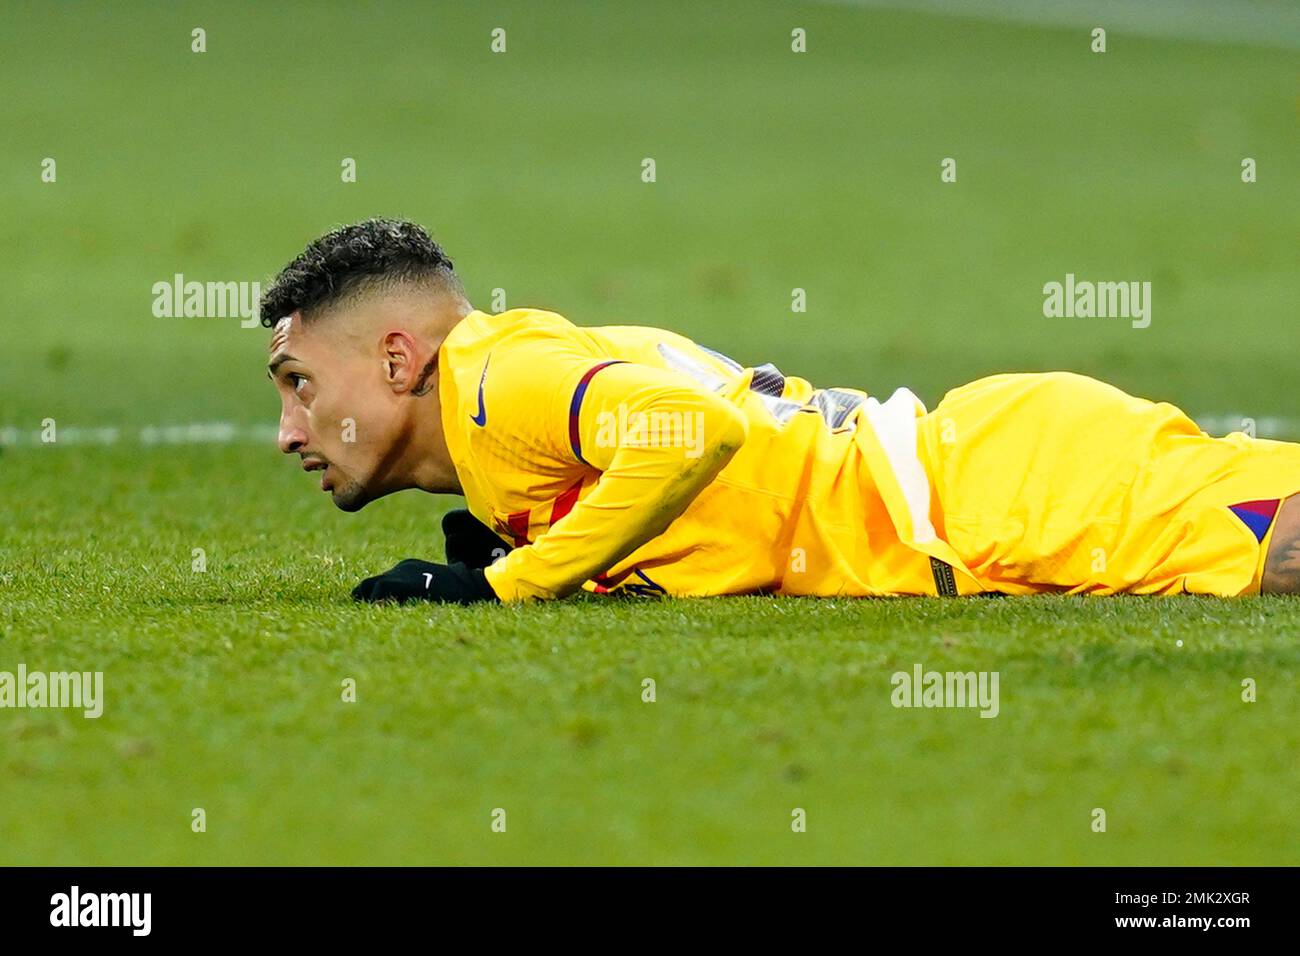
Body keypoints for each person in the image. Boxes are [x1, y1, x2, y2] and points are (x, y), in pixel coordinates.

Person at [261, 219, 1300, 603]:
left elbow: (697, 430)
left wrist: (509, 584)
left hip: (988, 490)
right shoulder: (507, 394)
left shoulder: (497, 382)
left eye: (299, 382)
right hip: (969, 484)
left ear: (399, 358)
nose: (287, 430)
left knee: (1281, 552)